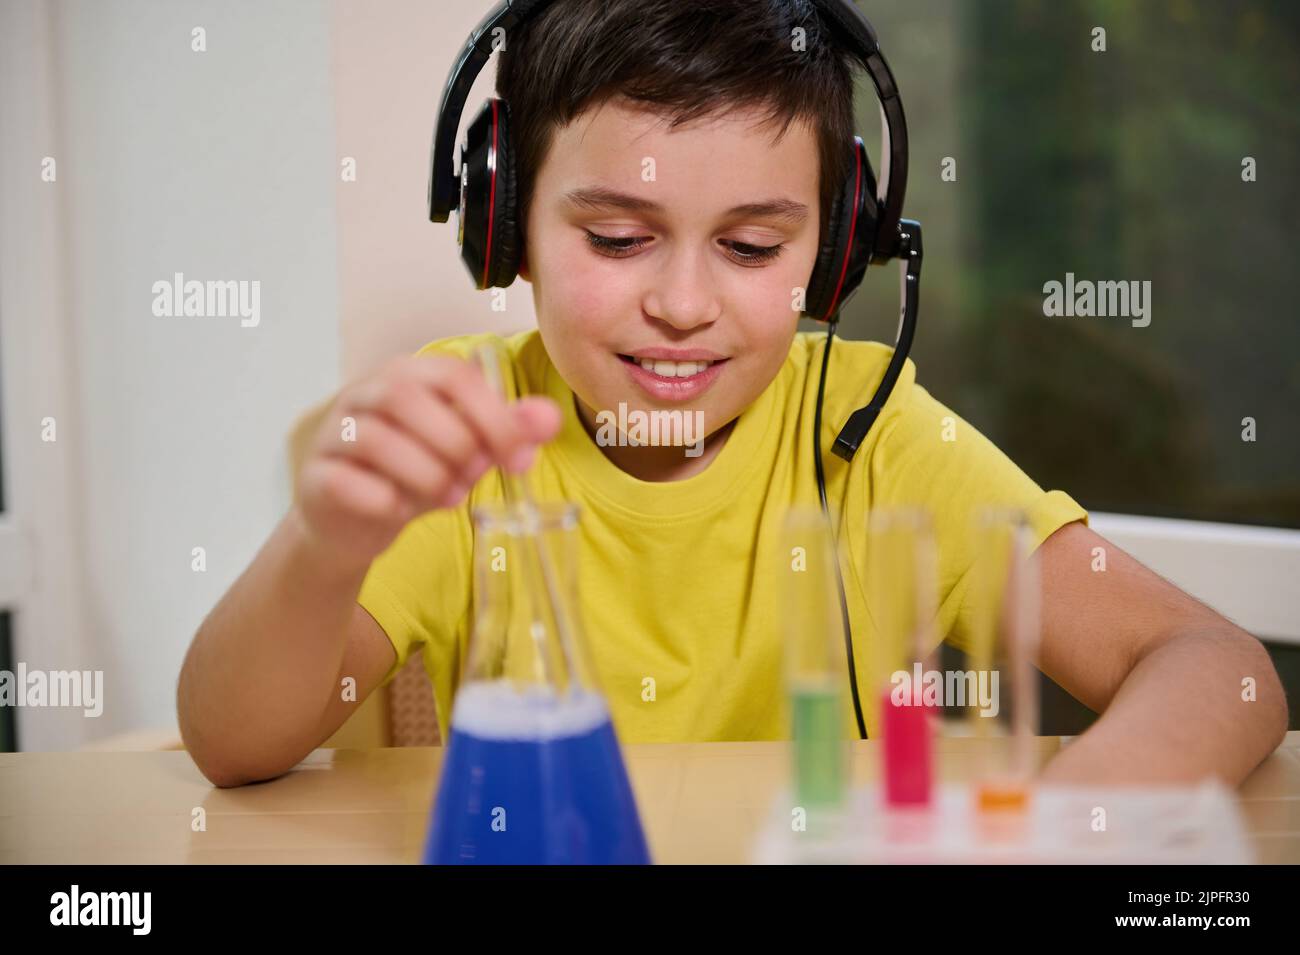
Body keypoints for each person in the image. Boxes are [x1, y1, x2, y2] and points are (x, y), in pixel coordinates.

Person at [177, 0, 1287, 788]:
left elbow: (1219, 668)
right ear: (503, 220)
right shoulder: (467, 428)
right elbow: (233, 745)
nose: (682, 302)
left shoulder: (871, 432)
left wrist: (1077, 830)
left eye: (753, 246)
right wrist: (323, 547)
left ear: (838, 247)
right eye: (617, 237)